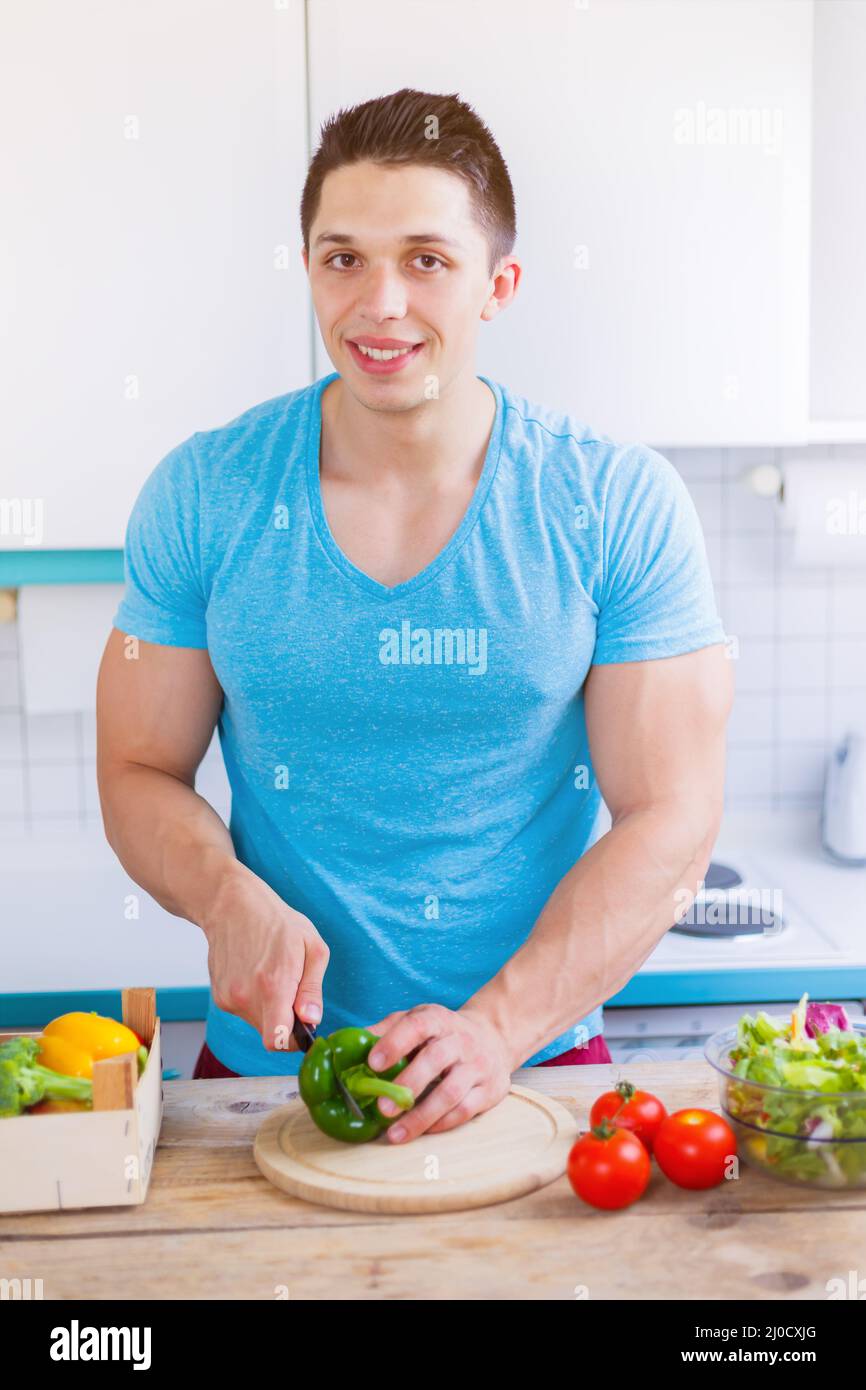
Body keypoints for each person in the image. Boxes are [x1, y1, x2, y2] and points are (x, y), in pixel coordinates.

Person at [96, 88, 732, 1144]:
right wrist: (221, 896)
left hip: (535, 1057)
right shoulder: (202, 493)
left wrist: (493, 1027)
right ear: (307, 269)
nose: (379, 302)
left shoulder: (614, 501)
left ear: (498, 285)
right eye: (342, 257)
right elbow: (136, 767)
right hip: (272, 1066)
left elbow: (672, 816)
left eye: (426, 259)